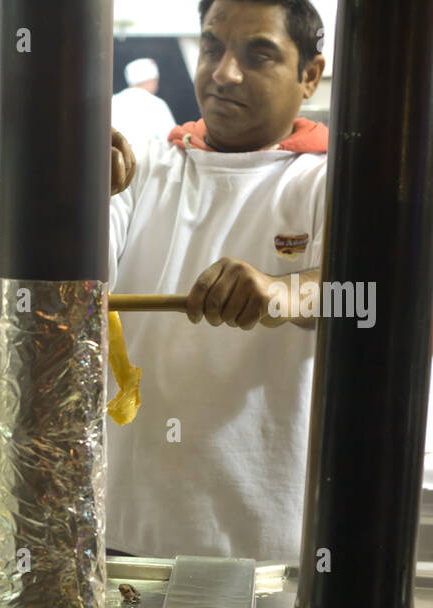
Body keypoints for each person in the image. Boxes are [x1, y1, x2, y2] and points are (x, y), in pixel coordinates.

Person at [105, 0, 329, 564]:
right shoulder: (142, 168)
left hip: (265, 541)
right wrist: (75, 195)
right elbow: (71, 291)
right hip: (125, 528)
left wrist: (284, 292)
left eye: (259, 54)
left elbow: (366, 289)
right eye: (213, 48)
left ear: (309, 75)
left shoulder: (328, 177)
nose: (225, 73)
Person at [111, 58, 178, 146]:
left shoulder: (113, 101)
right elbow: (171, 139)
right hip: (149, 159)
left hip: (118, 158)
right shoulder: (157, 104)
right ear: (149, 81)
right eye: (155, 80)